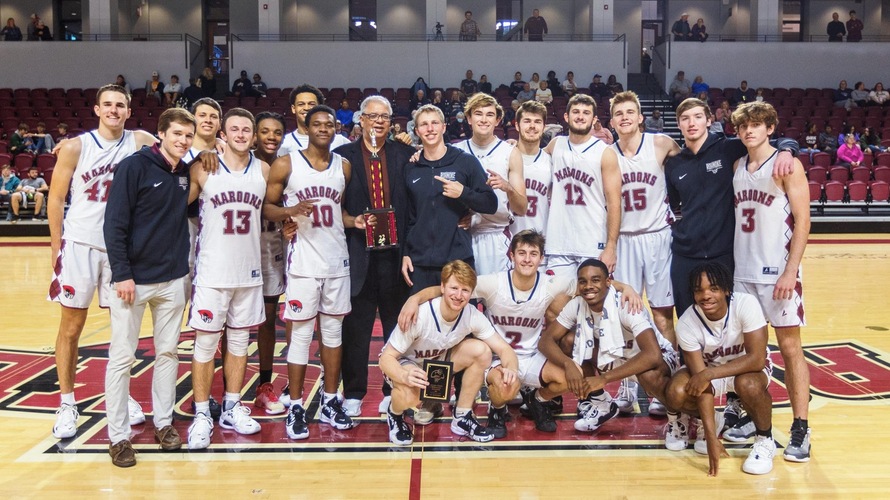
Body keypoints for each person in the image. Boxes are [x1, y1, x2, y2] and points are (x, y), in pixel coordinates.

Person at [47, 85, 157, 442]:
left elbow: (179, 144)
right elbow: (56, 198)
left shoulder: (141, 141)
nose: (113, 110)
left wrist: (213, 147)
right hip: (80, 244)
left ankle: (121, 397)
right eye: (107, 104)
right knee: (71, 326)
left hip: (120, 248)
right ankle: (66, 403)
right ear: (96, 109)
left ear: (129, 110)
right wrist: (55, 247)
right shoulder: (77, 146)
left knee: (123, 330)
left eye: (120, 105)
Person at [399, 231, 576, 437]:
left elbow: (586, 285)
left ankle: (538, 400)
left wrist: (621, 287)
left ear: (541, 258)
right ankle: (497, 409)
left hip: (530, 357)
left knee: (568, 378)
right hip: (497, 358)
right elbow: (445, 290)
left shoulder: (550, 284)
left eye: (533, 254)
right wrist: (414, 299)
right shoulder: (494, 283)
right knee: (506, 387)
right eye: (522, 253)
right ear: (511, 256)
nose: (527, 259)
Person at [103, 108, 197, 467]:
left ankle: (163, 423)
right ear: (161, 134)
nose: (183, 141)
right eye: (176, 134)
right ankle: (119, 437)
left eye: (187, 136)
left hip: (173, 278)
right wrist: (121, 273)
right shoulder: (134, 167)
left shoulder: (185, 172)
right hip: (133, 281)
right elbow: (114, 225)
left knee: (168, 353)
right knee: (122, 357)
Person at [263, 105, 361, 440]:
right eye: (316, 124)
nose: (323, 128)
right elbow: (267, 206)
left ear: (336, 128)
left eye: (328, 124)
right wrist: (289, 211)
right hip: (303, 262)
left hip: (337, 260)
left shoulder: (344, 167)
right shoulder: (287, 163)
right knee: (301, 337)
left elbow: (340, 212)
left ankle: (331, 400)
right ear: (305, 127)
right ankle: (295, 405)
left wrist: (355, 221)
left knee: (333, 336)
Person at [727, 101, 812, 463]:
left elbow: (804, 220)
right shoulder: (736, 166)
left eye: (757, 125)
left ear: (770, 128)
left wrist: (791, 271)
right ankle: (752, 413)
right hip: (742, 273)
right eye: (744, 125)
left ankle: (800, 427)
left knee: (790, 348)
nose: (750, 130)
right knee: (750, 353)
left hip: (777, 272)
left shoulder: (787, 164)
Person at [664, 97, 798, 317]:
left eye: (698, 117)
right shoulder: (674, 163)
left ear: (708, 120)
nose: (691, 123)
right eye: (685, 119)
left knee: (728, 320)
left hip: (724, 253)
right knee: (687, 316)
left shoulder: (729, 149)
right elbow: (672, 204)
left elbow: (775, 141)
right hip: (685, 253)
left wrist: (787, 150)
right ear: (678, 124)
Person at [185, 108, 269, 450]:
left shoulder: (263, 169)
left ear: (253, 134)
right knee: (205, 345)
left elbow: (278, 207)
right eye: (233, 128)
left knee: (238, 344)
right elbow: (173, 207)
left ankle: (232, 406)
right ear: (224, 131)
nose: (240, 134)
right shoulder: (204, 166)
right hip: (211, 272)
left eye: (246, 129)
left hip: (249, 273)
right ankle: (202, 413)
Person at [539, 259, 681, 441]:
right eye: (583, 282)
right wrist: (569, 364)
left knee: (649, 377)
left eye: (595, 280)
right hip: (617, 358)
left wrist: (603, 379)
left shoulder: (626, 304)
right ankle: (602, 405)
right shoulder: (577, 304)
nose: (588, 286)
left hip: (654, 359)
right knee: (569, 341)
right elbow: (546, 341)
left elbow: (653, 355)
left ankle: (678, 420)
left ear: (608, 282)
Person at [335, 96, 415, 418]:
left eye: (384, 117)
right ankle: (353, 391)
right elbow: (331, 203)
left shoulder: (407, 154)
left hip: (396, 256)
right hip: (358, 253)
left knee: (398, 328)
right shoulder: (342, 157)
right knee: (356, 329)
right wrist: (350, 220)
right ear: (361, 120)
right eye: (372, 116)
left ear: (391, 122)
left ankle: (391, 389)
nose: (378, 121)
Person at [381, 260, 517, 445]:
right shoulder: (420, 315)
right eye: (454, 288)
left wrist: (511, 369)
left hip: (436, 361)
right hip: (406, 363)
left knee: (482, 351)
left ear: (471, 293)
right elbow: (386, 358)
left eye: (465, 290)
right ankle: (395, 414)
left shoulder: (470, 314)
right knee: (410, 395)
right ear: (442, 287)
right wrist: (404, 376)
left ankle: (462, 416)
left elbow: (504, 348)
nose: (459, 295)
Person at [665, 263, 776, 476]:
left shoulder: (746, 304)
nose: (706, 295)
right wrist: (711, 437)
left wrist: (709, 373)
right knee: (676, 391)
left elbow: (757, 359)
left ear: (726, 289)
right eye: (699, 290)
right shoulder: (687, 323)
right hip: (709, 374)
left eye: (713, 288)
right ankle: (713, 422)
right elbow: (702, 386)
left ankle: (764, 439)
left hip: (746, 369)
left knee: (748, 384)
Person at [400, 104, 498, 293]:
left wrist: (463, 193)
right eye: (424, 124)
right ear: (417, 131)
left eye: (435, 123)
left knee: (460, 321)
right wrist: (405, 253)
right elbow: (408, 218)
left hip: (457, 260)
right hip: (420, 264)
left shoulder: (465, 161)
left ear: (444, 127)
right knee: (421, 321)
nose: (430, 129)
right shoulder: (411, 168)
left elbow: (490, 203)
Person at [544, 94, 621, 278]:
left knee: (594, 303)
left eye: (586, 113)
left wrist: (611, 245)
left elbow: (614, 203)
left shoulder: (605, 152)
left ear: (594, 119)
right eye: (576, 112)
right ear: (566, 116)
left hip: (593, 243)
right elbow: (532, 161)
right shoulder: (555, 145)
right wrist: (514, 146)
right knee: (556, 304)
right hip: (558, 243)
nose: (580, 116)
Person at [454, 93, 527, 276]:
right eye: (478, 114)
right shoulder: (455, 151)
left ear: (498, 120)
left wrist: (508, 187)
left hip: (496, 236)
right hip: (461, 235)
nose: (484, 119)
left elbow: (522, 208)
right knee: (461, 300)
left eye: (489, 114)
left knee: (495, 302)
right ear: (469, 118)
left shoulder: (510, 152)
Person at [251, 111, 288, 416]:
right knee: (229, 323)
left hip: (271, 245)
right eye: (265, 131)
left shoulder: (288, 164)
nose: (271, 137)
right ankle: (226, 386)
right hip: (238, 248)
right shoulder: (236, 160)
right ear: (254, 135)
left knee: (268, 316)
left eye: (277, 132)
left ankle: (264, 383)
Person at [508, 102, 552, 236]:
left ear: (544, 127)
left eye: (537, 122)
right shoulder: (504, 156)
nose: (532, 126)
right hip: (508, 239)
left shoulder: (551, 161)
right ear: (517, 125)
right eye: (527, 121)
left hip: (540, 238)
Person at [279, 84, 350, 156]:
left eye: (311, 104)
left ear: (320, 107)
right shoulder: (284, 143)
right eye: (301, 104)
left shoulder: (340, 141)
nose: (306, 108)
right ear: (293, 108)